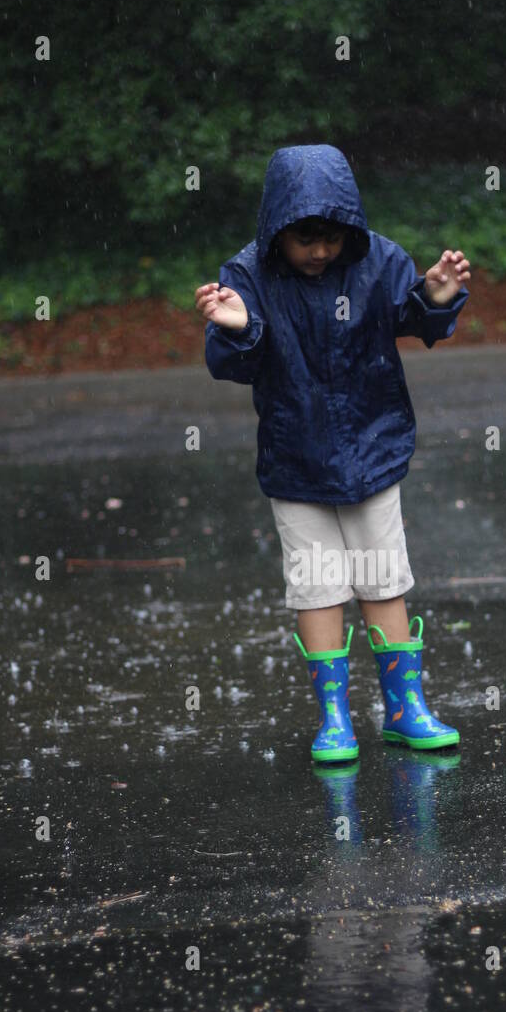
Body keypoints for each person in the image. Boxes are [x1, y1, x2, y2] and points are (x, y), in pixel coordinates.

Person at [197, 144, 470, 763]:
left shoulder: (378, 260)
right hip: (296, 460)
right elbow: (233, 363)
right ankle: (334, 717)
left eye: (331, 238)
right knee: (317, 585)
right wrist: (238, 328)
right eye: (304, 240)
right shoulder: (247, 277)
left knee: (383, 577)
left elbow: (419, 318)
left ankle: (405, 708)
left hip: (373, 449)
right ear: (276, 234)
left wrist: (438, 294)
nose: (320, 251)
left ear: (351, 225)